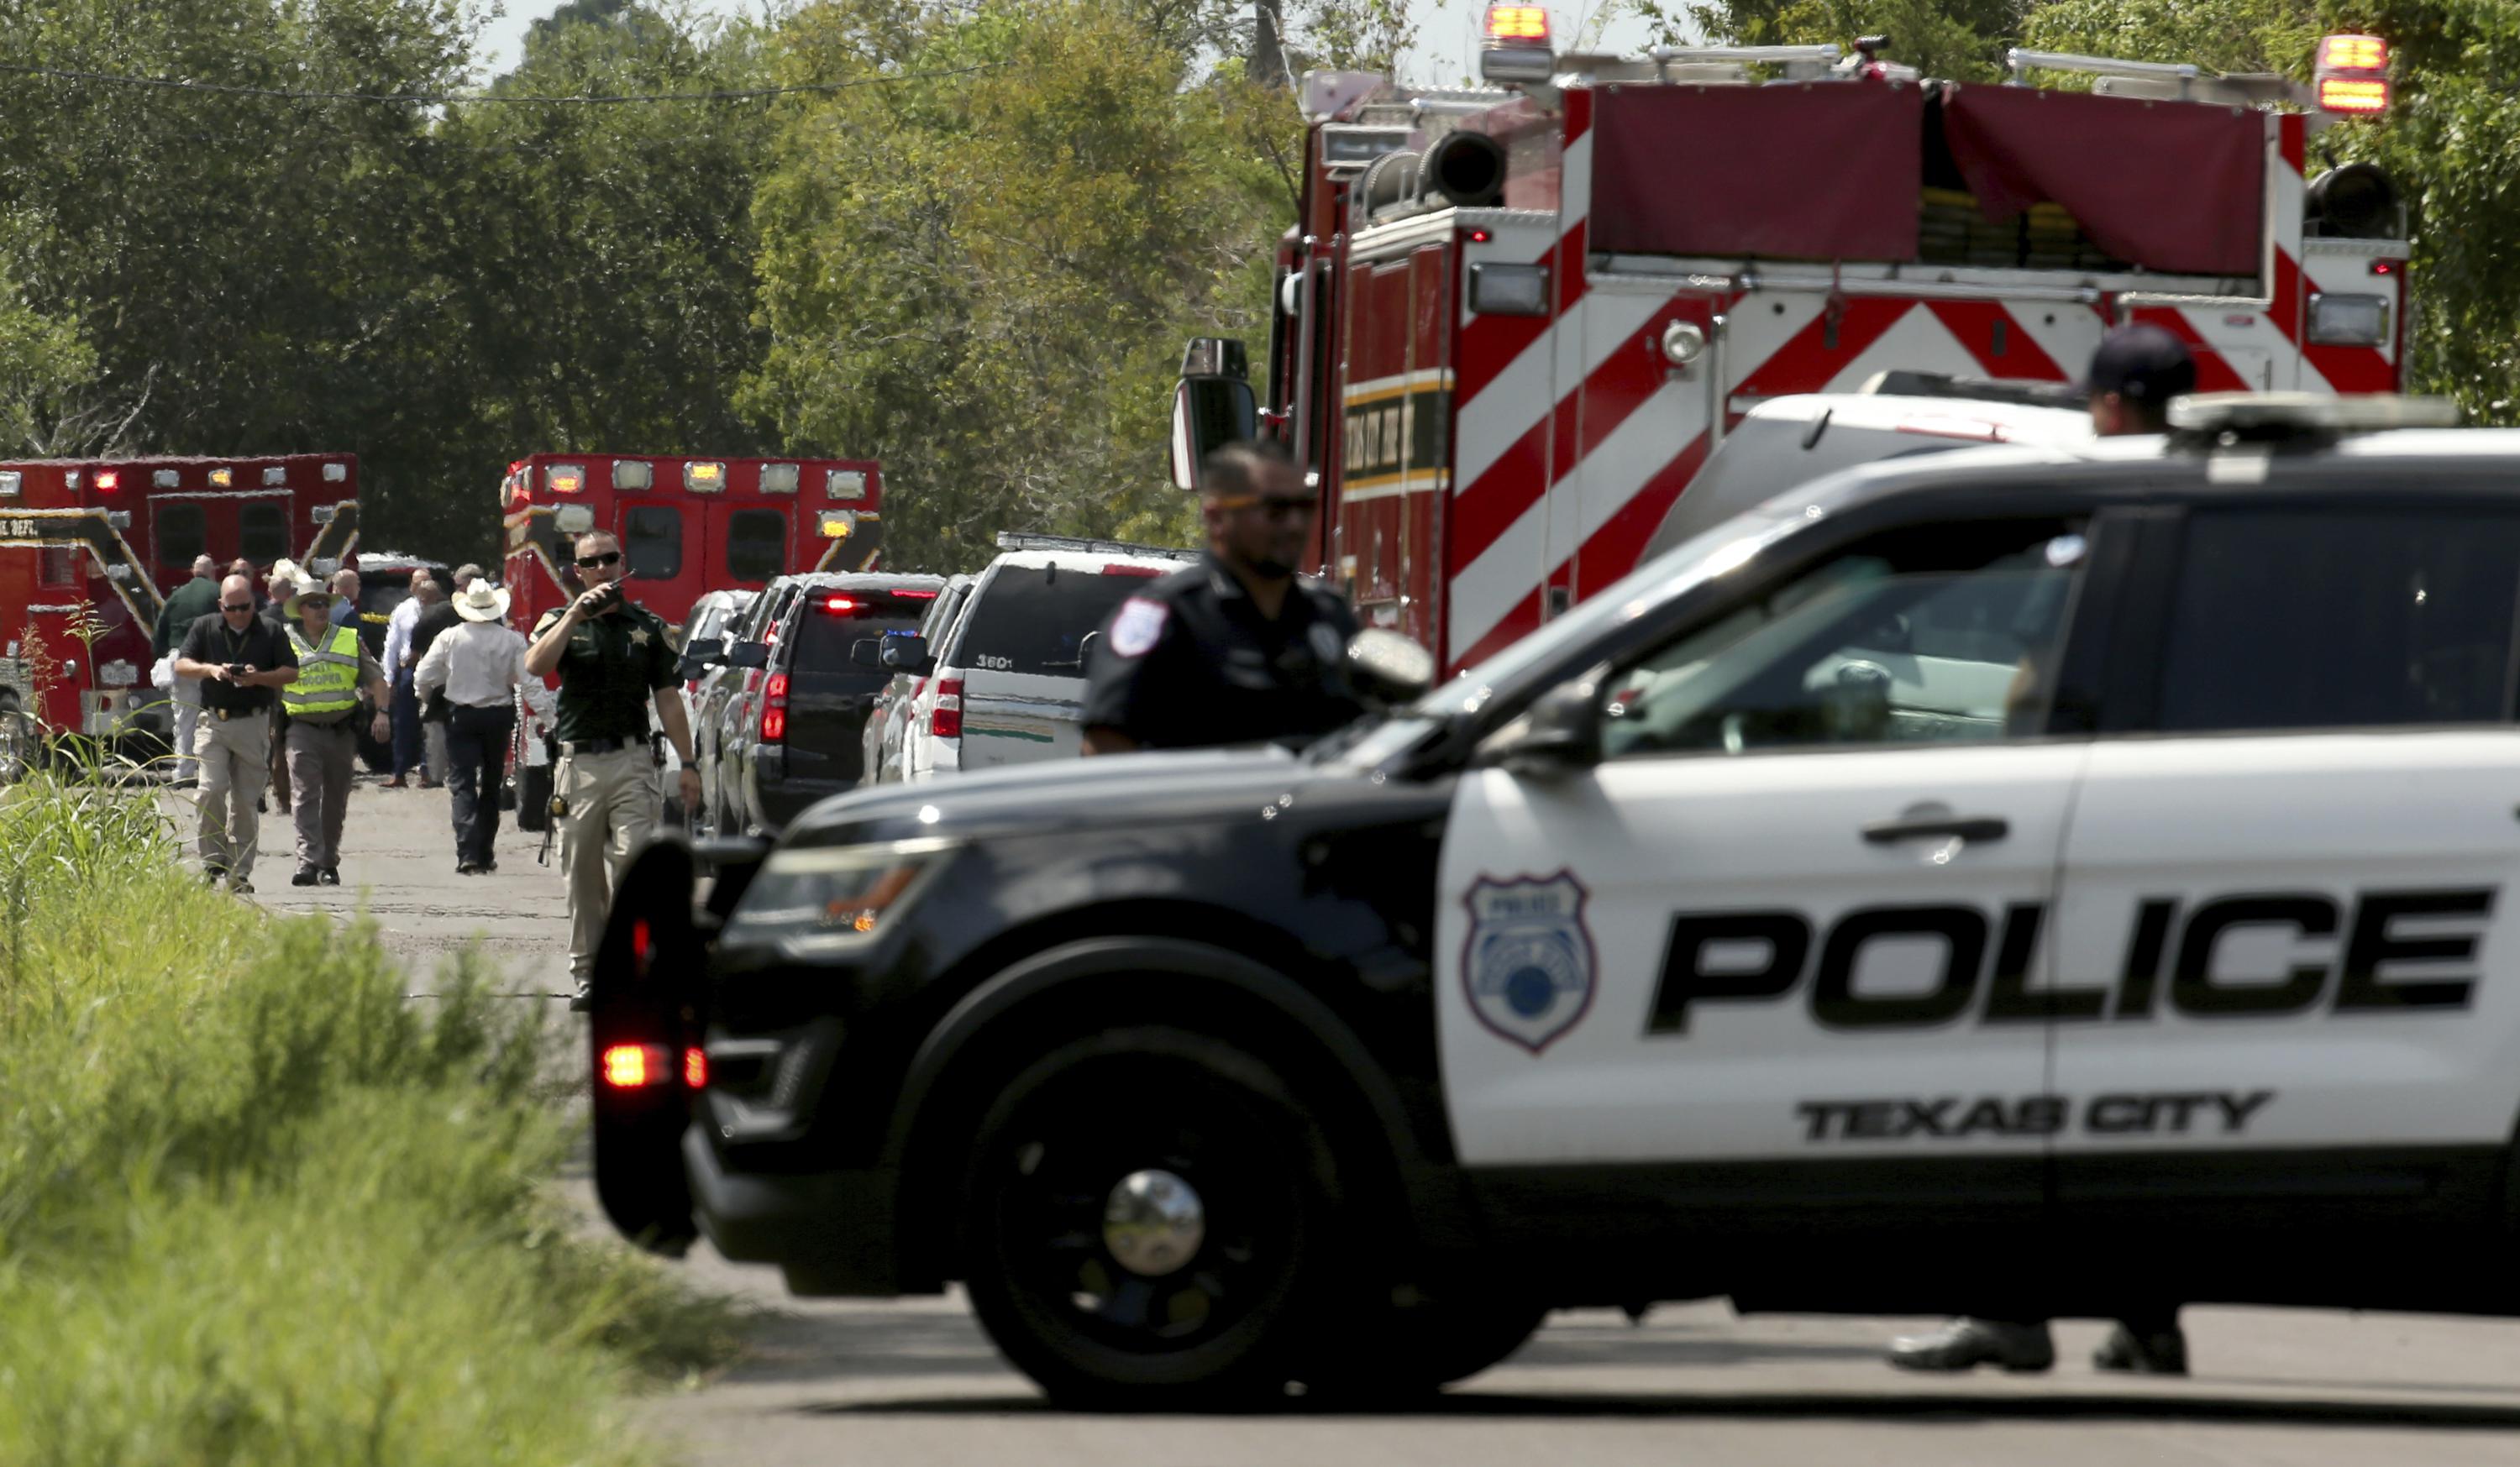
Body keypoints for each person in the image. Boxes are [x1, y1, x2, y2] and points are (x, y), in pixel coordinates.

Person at [1887, 325, 2200, 1381]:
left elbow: (2032, 667)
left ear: (2108, 405)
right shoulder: (2211, 500)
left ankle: (2009, 1311)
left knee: (2009, 1080)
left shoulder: (2096, 507)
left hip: (2066, 828)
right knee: (2131, 1096)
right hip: (2174, 837)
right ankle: (2148, 1322)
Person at [1081, 440, 1364, 755]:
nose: (1296, 524)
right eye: (1276, 510)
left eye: (1305, 507)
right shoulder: (1170, 617)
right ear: (1217, 518)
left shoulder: (1330, 615)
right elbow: (1106, 749)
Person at [524, 532, 700, 1010]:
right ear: (577, 571)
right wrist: (576, 614)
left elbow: (668, 699)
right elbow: (536, 666)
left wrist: (688, 763)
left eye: (609, 559)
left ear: (622, 563)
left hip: (631, 760)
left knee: (634, 864)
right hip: (577, 765)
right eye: (591, 562)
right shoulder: (560, 622)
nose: (602, 567)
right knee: (580, 873)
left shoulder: (646, 627)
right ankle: (590, 974)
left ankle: (635, 967)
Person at [171, 574, 298, 892]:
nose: (239, 614)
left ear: (254, 603)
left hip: (253, 723)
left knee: (245, 802)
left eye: (244, 607)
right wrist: (211, 670)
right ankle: (213, 861)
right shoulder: (205, 626)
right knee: (210, 790)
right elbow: (181, 665)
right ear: (221, 605)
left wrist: (260, 678)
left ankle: (239, 874)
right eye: (232, 608)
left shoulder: (270, 630)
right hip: (214, 722)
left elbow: (291, 672)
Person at [279, 576, 389, 886]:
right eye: (314, 604)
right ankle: (307, 862)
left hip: (341, 731)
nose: (321, 609)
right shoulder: (284, 640)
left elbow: (377, 680)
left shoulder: (349, 638)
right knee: (304, 795)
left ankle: (328, 861)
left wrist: (382, 713)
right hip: (302, 729)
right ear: (301, 609)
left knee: (336, 799)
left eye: (324, 603)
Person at [416, 578, 528, 876]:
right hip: (498, 716)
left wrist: (427, 698)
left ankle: (467, 851)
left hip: (462, 717)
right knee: (491, 785)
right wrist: (549, 718)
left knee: (462, 784)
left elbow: (423, 675)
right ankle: (486, 851)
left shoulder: (450, 637)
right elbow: (529, 682)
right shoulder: (513, 640)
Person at [152, 553, 221, 787]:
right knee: (216, 717)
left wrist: (162, 655)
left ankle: (184, 771)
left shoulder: (176, 596)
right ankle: (212, 768)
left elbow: (159, 632)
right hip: (209, 663)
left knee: (184, 719)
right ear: (212, 572)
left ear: (193, 572)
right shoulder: (217, 592)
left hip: (180, 661)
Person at [410, 563, 480, 787]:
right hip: (473, 683)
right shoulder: (495, 625)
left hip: (439, 681)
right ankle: (465, 770)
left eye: (459, 585)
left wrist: (422, 691)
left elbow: (418, 660)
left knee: (435, 725)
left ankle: (436, 774)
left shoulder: (432, 619)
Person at [382, 571, 437, 789]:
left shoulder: (442, 611)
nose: (422, 587)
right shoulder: (403, 610)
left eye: (426, 582)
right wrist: (388, 676)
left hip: (435, 670)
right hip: (409, 669)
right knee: (404, 721)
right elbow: (392, 644)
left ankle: (427, 770)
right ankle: (399, 773)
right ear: (411, 586)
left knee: (431, 722)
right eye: (418, 583)